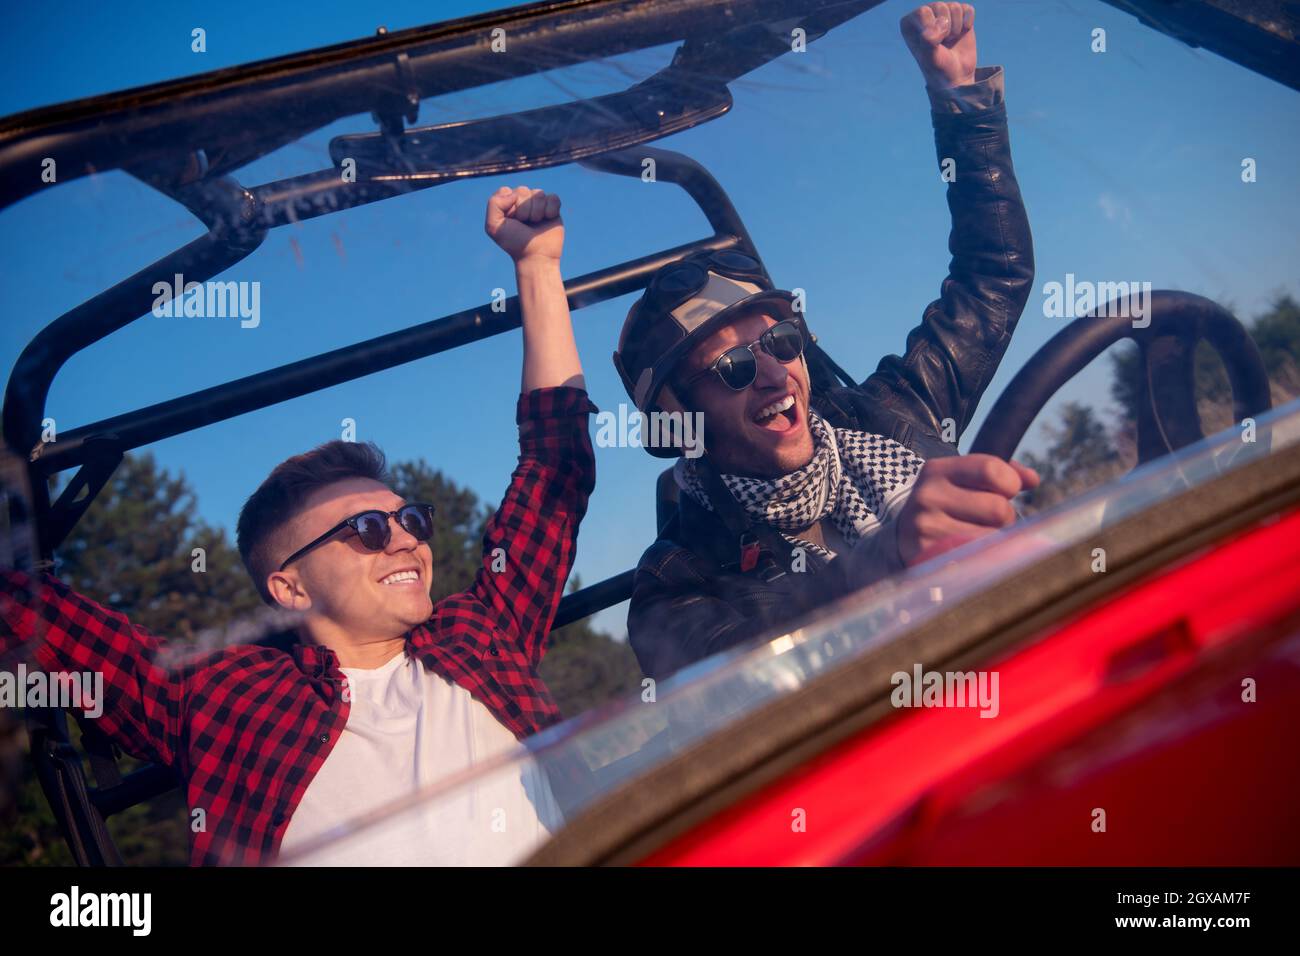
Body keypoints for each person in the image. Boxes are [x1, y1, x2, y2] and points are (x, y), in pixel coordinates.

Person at [0, 185, 592, 865]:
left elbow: (555, 466)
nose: (405, 538)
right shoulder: (229, 699)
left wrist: (537, 268)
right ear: (290, 587)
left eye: (410, 518)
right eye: (367, 528)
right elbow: (45, 623)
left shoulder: (481, 635)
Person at [615, 3, 1039, 680]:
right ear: (679, 415)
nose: (775, 374)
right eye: (730, 367)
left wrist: (961, 103)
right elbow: (746, 681)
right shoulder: (674, 583)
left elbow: (993, 278)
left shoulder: (896, 409)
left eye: (781, 340)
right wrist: (885, 561)